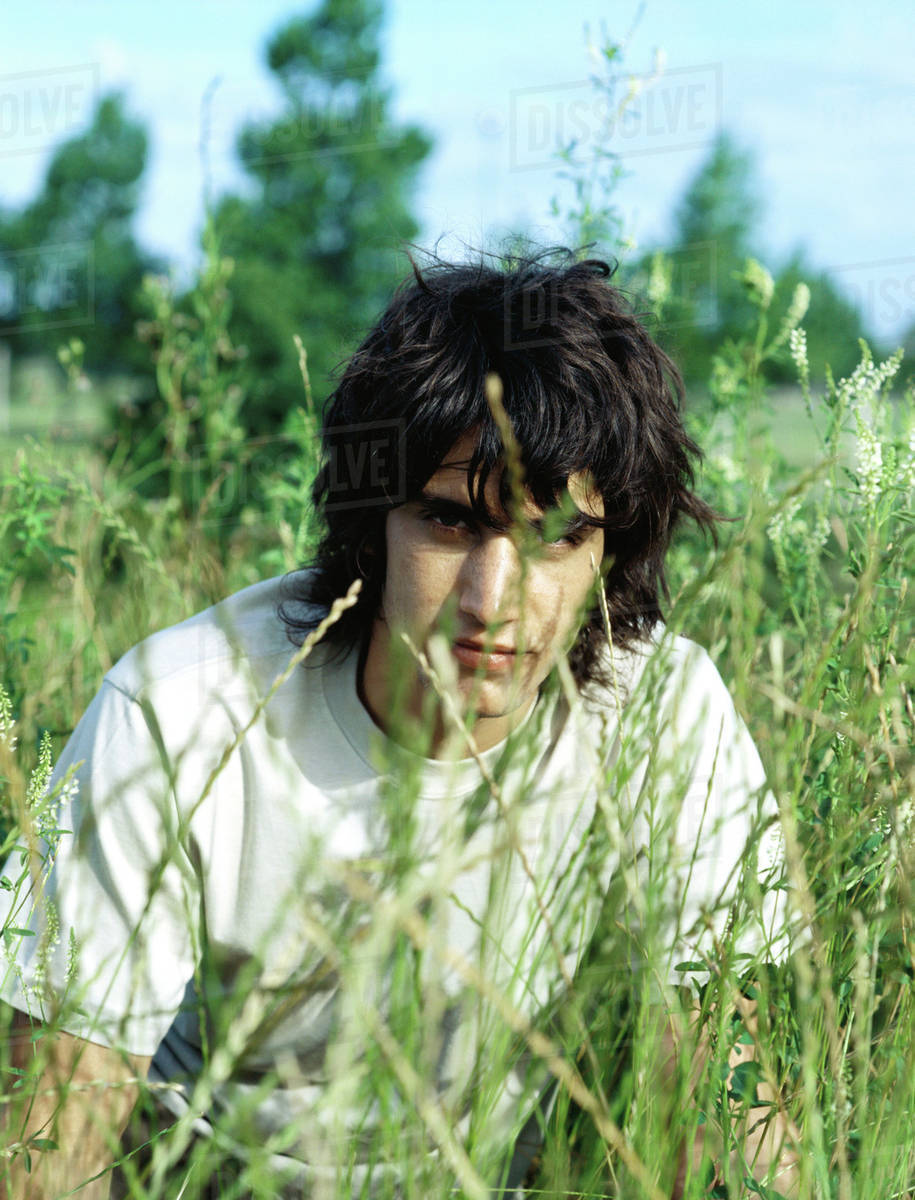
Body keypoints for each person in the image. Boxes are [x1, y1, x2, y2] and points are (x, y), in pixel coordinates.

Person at [0, 251, 796, 1199]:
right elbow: (52, 1135)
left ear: (611, 550)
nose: (492, 602)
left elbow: (720, 1093)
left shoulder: (662, 710)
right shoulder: (177, 711)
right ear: (372, 521)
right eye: (451, 524)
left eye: (553, 538)